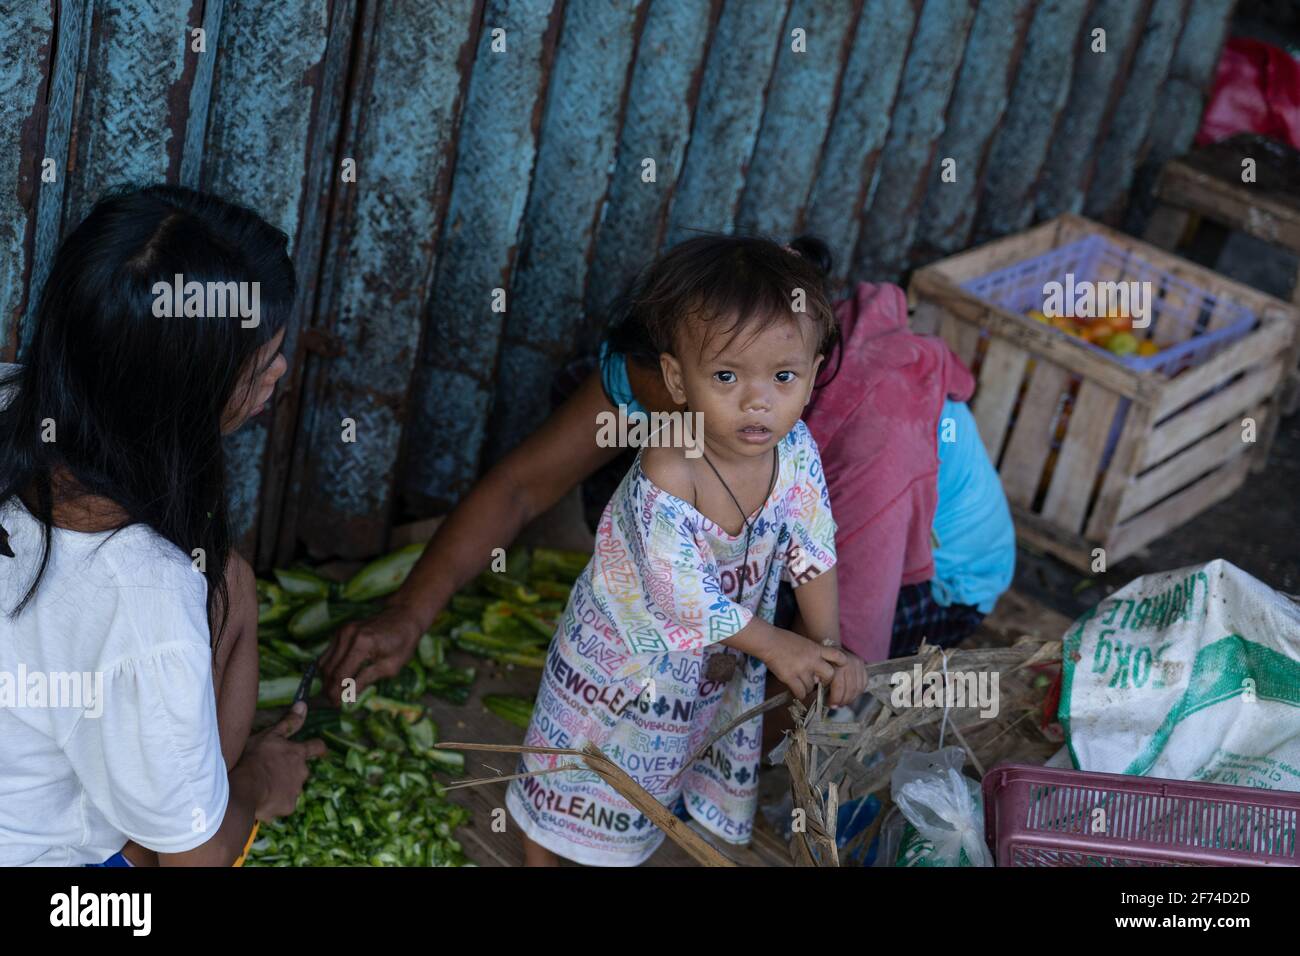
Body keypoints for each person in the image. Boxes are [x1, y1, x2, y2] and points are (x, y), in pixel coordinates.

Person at [320, 235, 1014, 701]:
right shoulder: (675, 368)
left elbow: (840, 654)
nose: (664, 420)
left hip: (935, 576)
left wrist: (702, 738)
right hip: (774, 530)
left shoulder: (866, 429)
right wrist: (409, 614)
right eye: (657, 404)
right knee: (639, 507)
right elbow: (521, 488)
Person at [503, 235, 860, 864]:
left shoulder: (797, 450)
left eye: (783, 376)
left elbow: (812, 547)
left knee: (651, 779)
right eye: (726, 375)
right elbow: (682, 595)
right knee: (571, 773)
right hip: (618, 660)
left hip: (707, 664)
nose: (758, 400)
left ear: (811, 371)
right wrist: (780, 644)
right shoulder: (670, 468)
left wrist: (826, 646)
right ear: (676, 377)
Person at [0, 184, 322, 866]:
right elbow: (194, 865)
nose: (281, 373)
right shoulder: (144, 595)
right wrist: (258, 785)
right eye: (264, 363)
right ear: (187, 396)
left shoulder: (14, 400)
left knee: (224, 575)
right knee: (167, 847)